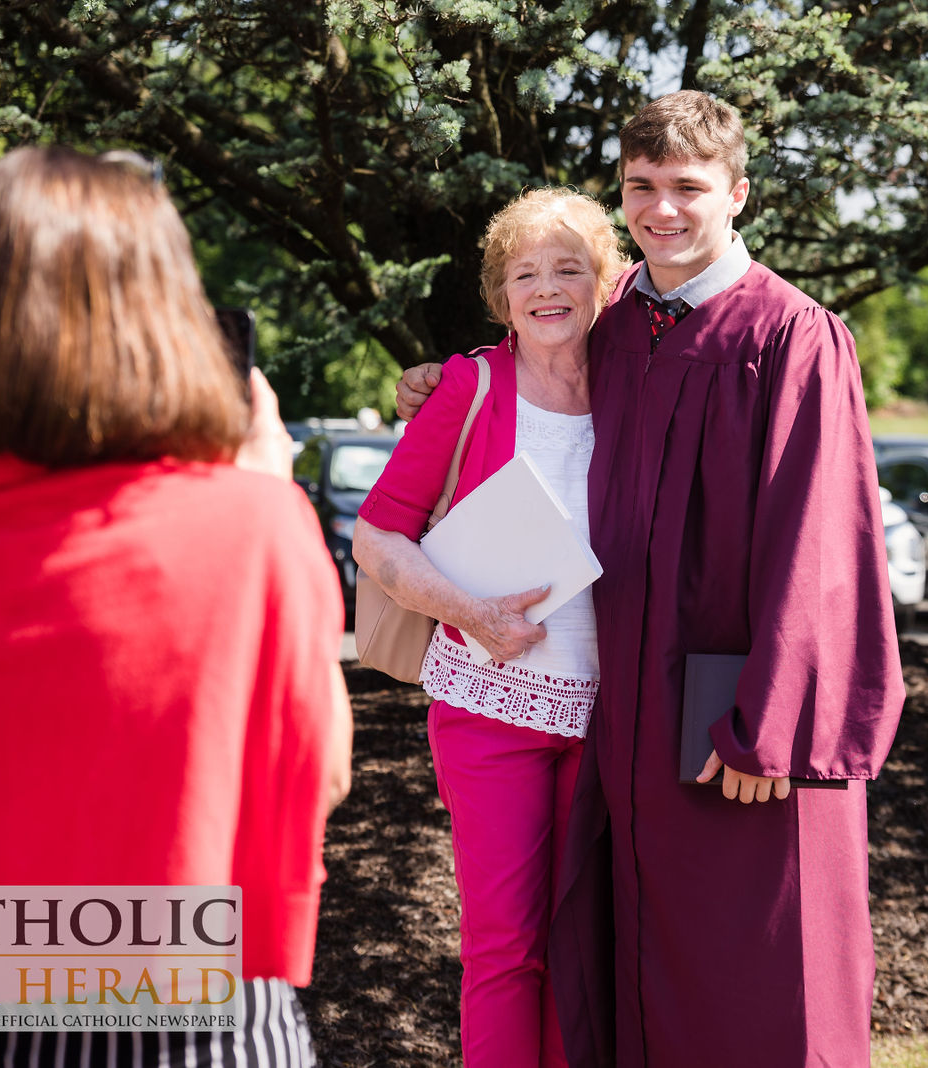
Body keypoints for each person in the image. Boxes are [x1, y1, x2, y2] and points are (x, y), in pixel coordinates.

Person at [395, 92, 905, 1067]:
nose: (661, 209)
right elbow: (524, 363)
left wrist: (772, 724)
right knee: (637, 958)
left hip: (734, 720)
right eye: (641, 186)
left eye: (688, 188)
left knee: (761, 965)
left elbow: (821, 548)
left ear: (738, 194)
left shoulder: (791, 336)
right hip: (626, 716)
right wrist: (437, 379)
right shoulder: (618, 321)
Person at [0, 145, 352, 1067]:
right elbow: (322, 776)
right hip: (207, 1018)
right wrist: (266, 494)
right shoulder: (252, 523)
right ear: (162, 317)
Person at [352, 187, 628, 1068]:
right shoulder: (468, 387)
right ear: (501, 296)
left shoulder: (636, 386)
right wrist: (470, 614)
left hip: (612, 717)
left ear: (604, 283)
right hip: (491, 708)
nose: (546, 289)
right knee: (507, 944)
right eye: (524, 274)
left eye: (568, 269)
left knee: (586, 949)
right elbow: (377, 534)